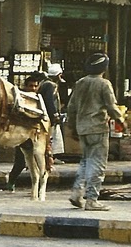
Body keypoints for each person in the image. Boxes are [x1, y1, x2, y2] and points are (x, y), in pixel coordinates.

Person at [67, 53, 124, 211]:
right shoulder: (104, 84)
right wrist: (121, 121)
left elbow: (71, 108)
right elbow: (112, 107)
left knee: (85, 161)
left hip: (82, 128)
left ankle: (77, 193)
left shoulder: (80, 83)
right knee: (97, 164)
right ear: (104, 68)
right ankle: (92, 199)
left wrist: (72, 127)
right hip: (97, 128)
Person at [3, 72, 49, 192]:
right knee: (20, 162)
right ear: (26, 86)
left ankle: (40, 189)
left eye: (35, 86)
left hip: (37, 134)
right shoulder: (20, 100)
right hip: (21, 136)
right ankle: (11, 181)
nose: (33, 88)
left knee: (41, 160)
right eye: (31, 86)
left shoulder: (39, 101)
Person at [44, 63, 66, 157]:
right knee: (51, 138)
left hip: (47, 115)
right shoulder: (51, 85)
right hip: (49, 117)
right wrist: (55, 114)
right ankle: (50, 156)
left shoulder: (45, 83)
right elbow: (50, 101)